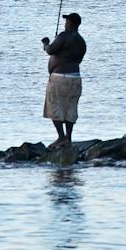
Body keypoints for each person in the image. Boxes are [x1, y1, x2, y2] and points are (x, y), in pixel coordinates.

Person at [41, 12, 87, 149]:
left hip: (59, 78)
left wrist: (46, 43)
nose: (65, 24)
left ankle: (61, 138)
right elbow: (77, 59)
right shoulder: (81, 41)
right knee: (70, 109)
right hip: (75, 78)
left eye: (67, 22)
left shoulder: (64, 36)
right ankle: (68, 138)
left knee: (54, 107)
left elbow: (50, 50)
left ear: (72, 24)